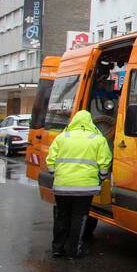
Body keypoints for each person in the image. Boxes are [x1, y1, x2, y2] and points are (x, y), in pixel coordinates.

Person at [46, 109, 112, 259]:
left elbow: (50, 160)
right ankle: (74, 250)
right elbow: (105, 162)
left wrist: (55, 174)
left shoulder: (62, 137)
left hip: (62, 186)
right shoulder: (97, 139)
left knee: (62, 216)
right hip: (85, 187)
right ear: (90, 122)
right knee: (79, 217)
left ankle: (57, 248)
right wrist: (101, 177)